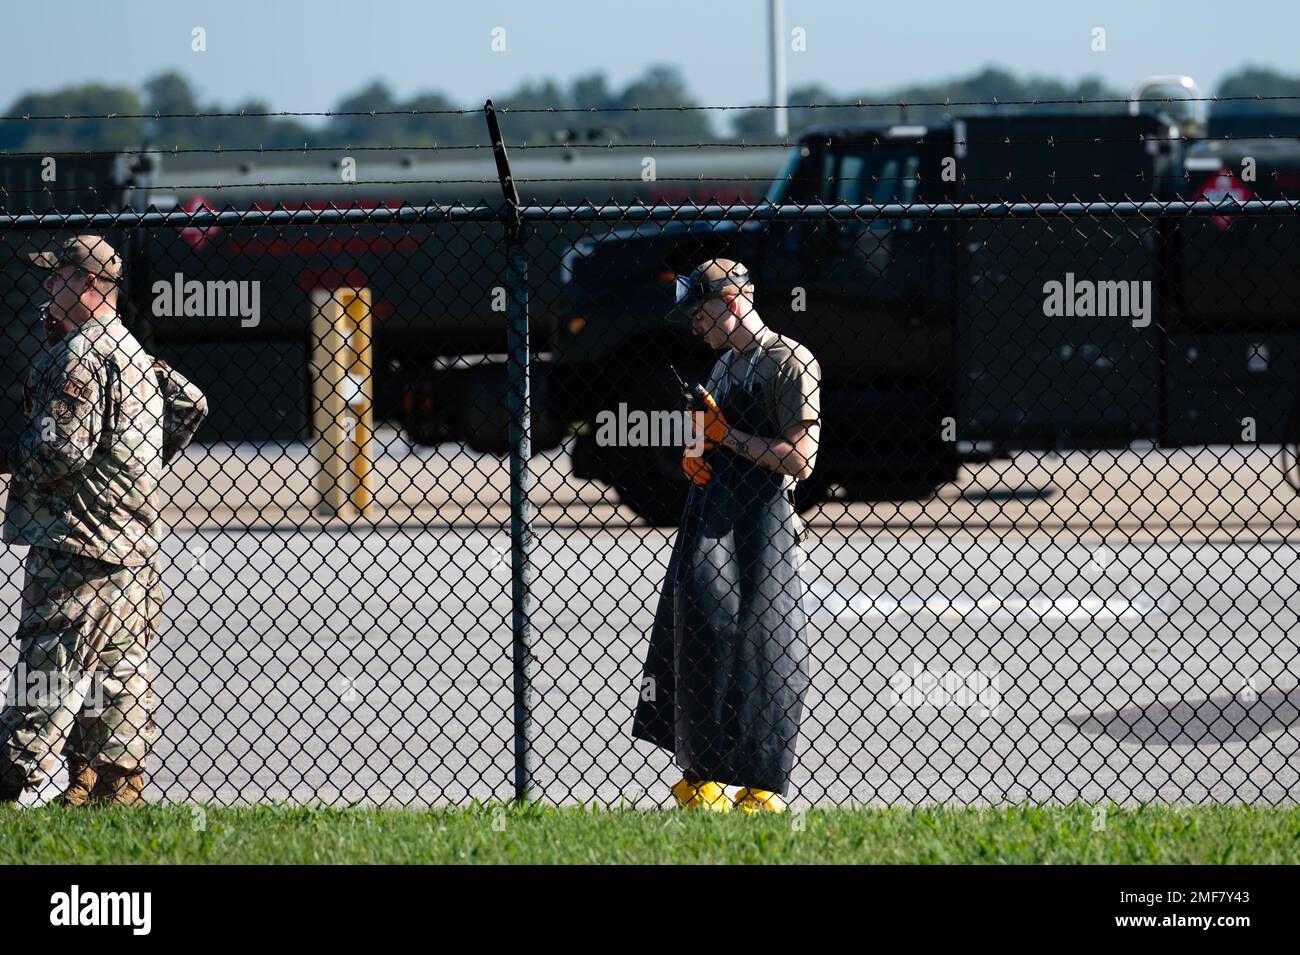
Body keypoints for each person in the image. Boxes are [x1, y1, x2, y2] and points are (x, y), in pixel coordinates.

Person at [0, 235, 208, 806]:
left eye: (58, 276)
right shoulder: (132, 352)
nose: (48, 285)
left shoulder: (78, 355)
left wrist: (13, 455)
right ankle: (114, 784)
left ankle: (10, 773)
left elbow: (60, 450)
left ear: (90, 283)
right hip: (131, 540)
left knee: (49, 661)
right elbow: (190, 402)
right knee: (116, 668)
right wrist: (136, 464)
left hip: (77, 538)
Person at [632, 258, 821, 813]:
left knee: (765, 648)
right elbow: (713, 438)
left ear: (733, 301)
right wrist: (697, 450)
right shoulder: (723, 368)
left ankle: (761, 786)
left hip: (765, 531)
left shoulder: (790, 363)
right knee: (700, 637)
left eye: (700, 314)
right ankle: (704, 776)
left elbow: (801, 460)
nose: (695, 326)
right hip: (715, 526)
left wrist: (727, 436)